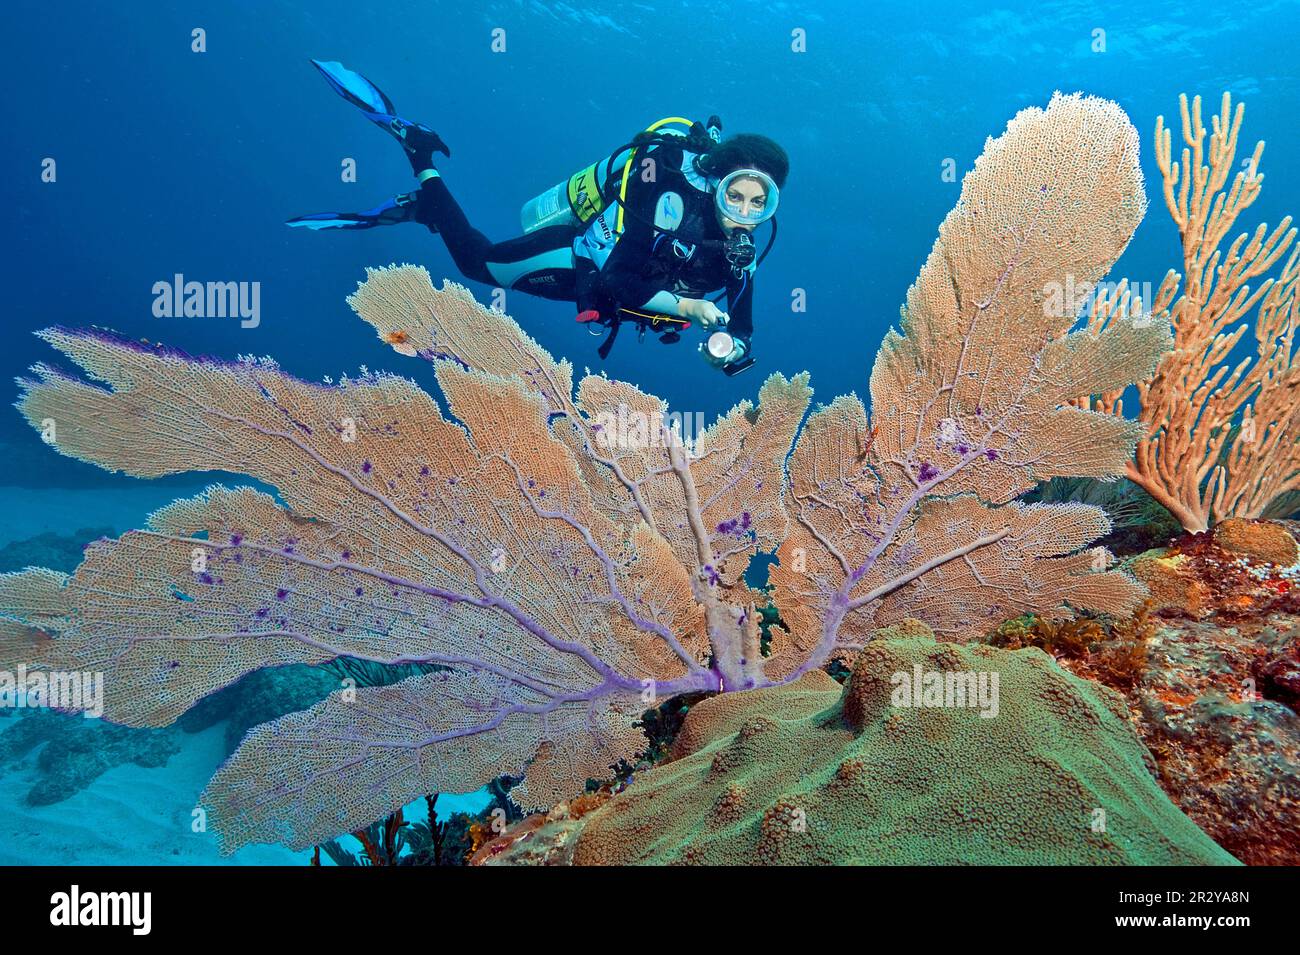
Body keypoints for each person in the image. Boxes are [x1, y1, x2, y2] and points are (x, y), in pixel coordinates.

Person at [288, 61, 788, 375]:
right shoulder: (668, 199)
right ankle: (420, 162)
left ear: (770, 207)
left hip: (616, 300)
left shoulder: (743, 253)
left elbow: (743, 327)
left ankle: (423, 205)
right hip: (580, 261)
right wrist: (690, 310)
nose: (742, 213)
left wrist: (727, 349)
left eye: (757, 203)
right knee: (477, 265)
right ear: (717, 185)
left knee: (480, 265)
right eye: (734, 196)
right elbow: (617, 279)